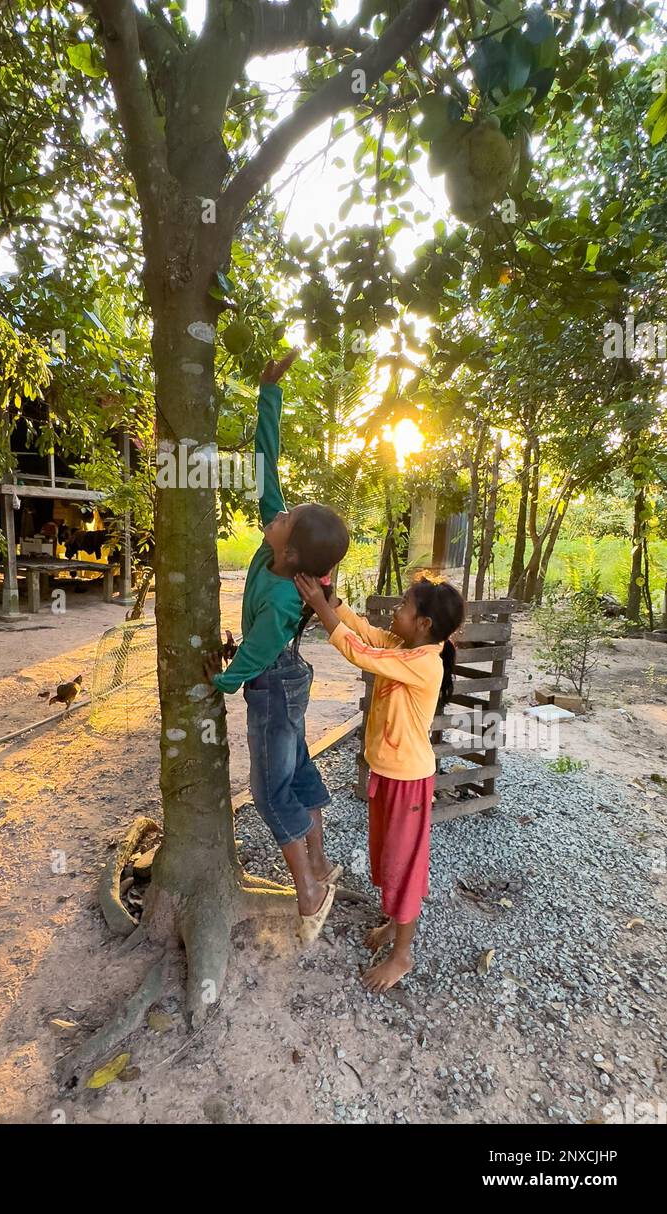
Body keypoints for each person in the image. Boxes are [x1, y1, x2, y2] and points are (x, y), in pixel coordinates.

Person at [205, 349, 350, 945]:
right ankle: (318, 866)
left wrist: (222, 681)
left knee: (268, 794)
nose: (279, 510)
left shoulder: (288, 595)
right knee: (297, 770)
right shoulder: (279, 549)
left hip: (272, 681)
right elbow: (268, 469)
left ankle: (310, 893)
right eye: (285, 510)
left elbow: (259, 651)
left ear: (290, 554)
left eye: (286, 519)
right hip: (287, 678)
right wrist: (269, 394)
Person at [293, 573, 465, 991]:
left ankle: (402, 955)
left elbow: (362, 654)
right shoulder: (407, 645)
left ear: (424, 623)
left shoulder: (424, 662)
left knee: (404, 865)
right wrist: (334, 603)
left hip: (408, 782)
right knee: (388, 855)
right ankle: (394, 923)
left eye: (404, 607)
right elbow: (367, 634)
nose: (396, 611)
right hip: (388, 774)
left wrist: (319, 610)